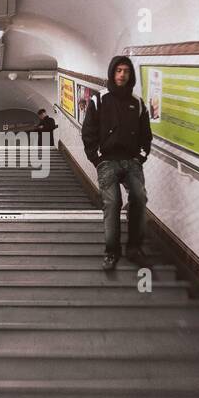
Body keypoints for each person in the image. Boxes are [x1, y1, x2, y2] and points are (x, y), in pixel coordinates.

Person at [81, 55, 152, 270]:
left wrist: (140, 157)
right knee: (112, 203)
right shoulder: (99, 100)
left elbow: (146, 135)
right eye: (118, 70)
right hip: (107, 162)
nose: (122, 75)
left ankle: (134, 248)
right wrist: (97, 158)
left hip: (131, 162)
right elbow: (88, 133)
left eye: (126, 71)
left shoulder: (137, 103)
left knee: (140, 197)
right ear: (112, 73)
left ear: (130, 75)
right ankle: (112, 252)